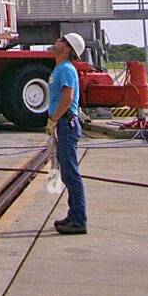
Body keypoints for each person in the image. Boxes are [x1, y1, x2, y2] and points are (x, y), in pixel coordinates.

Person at [48, 31, 87, 235]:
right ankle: (74, 215)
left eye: (62, 39)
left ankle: (79, 220)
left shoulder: (65, 69)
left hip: (66, 124)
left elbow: (67, 97)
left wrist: (54, 119)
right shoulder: (61, 68)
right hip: (63, 124)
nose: (57, 40)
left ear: (67, 49)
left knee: (71, 173)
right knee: (67, 172)